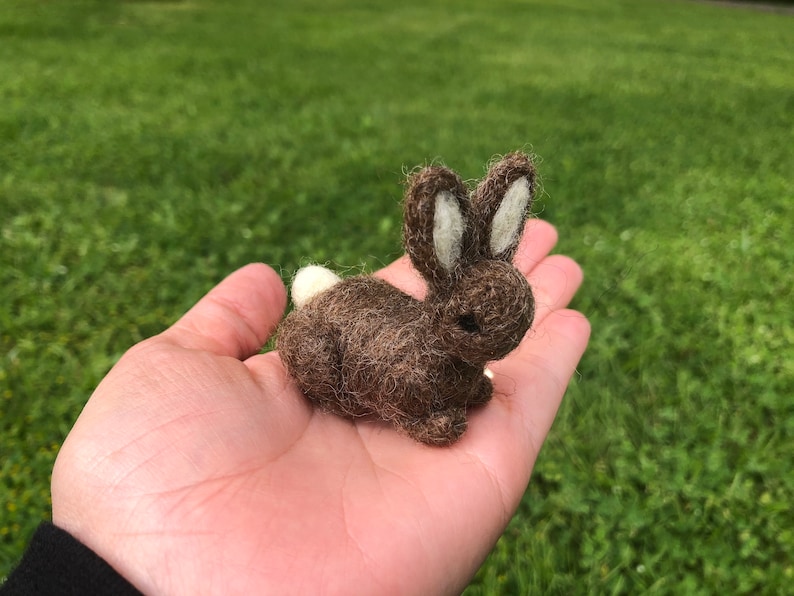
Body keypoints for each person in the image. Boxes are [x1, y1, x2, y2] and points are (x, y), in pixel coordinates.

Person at [2, 220, 589, 595]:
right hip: (331, 334)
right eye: (479, 328)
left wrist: (470, 385)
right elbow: (400, 390)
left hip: (365, 312)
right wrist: (427, 416)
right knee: (353, 365)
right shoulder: (414, 370)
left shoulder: (461, 357)